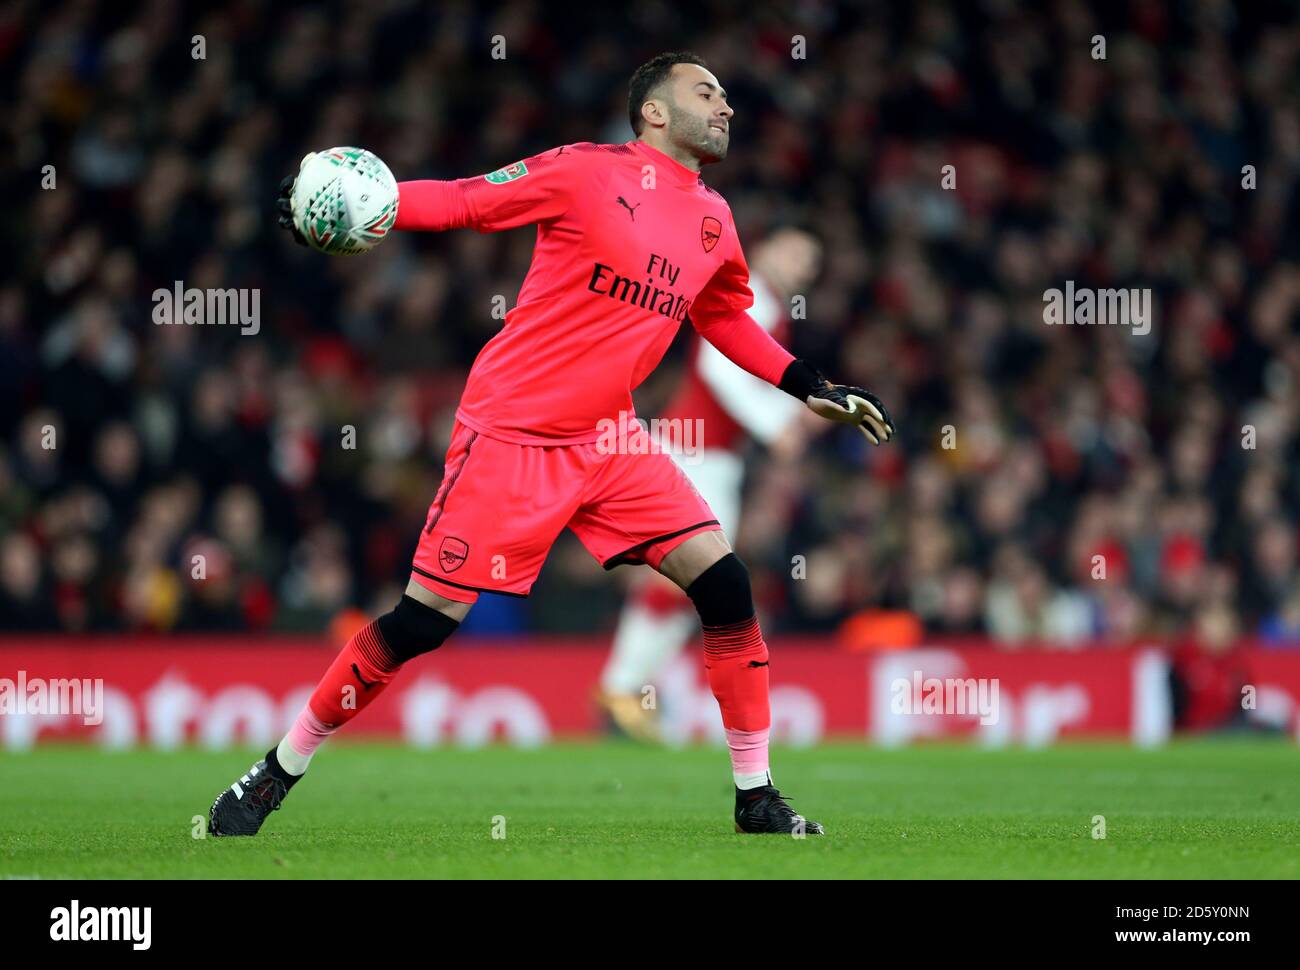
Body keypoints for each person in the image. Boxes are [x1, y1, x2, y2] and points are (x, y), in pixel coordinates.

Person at [208, 51, 894, 838]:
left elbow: (724, 318)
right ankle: (277, 770)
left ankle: (756, 796)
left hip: (609, 436)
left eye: (726, 95)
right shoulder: (583, 170)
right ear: (655, 112)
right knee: (424, 621)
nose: (726, 106)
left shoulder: (715, 219)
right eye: (706, 92)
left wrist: (810, 385)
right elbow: (467, 202)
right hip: (511, 430)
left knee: (726, 584)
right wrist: (376, 207)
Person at [595, 228, 823, 742]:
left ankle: (625, 692)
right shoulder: (751, 298)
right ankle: (621, 689)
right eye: (794, 252)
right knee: (700, 577)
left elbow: (745, 379)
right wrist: (777, 425)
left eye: (810, 262)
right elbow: (719, 371)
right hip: (690, 454)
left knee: (699, 583)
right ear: (764, 249)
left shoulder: (768, 306)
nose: (802, 267)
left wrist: (797, 409)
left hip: (709, 459)